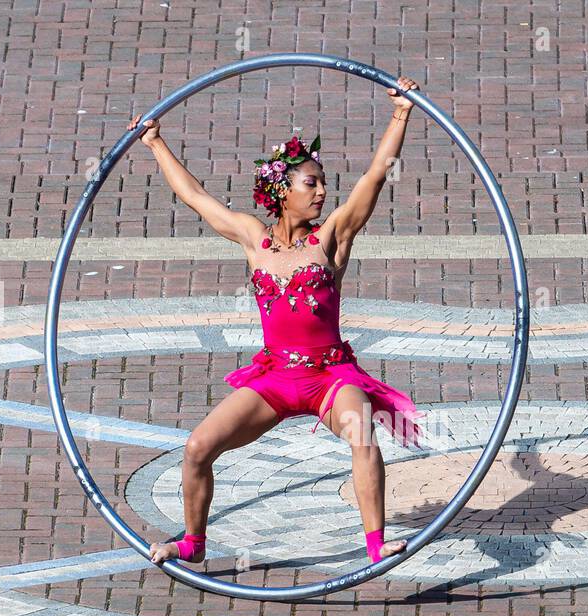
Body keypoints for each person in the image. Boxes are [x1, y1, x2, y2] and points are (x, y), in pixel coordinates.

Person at [128, 76, 427, 567]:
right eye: (311, 183)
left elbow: (374, 178)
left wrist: (400, 115)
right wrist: (155, 141)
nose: (323, 192)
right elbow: (196, 198)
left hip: (329, 377)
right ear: (281, 191)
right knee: (198, 446)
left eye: (324, 183)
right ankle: (192, 544)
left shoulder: (330, 238)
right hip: (274, 379)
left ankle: (377, 543)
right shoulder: (253, 239)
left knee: (361, 430)